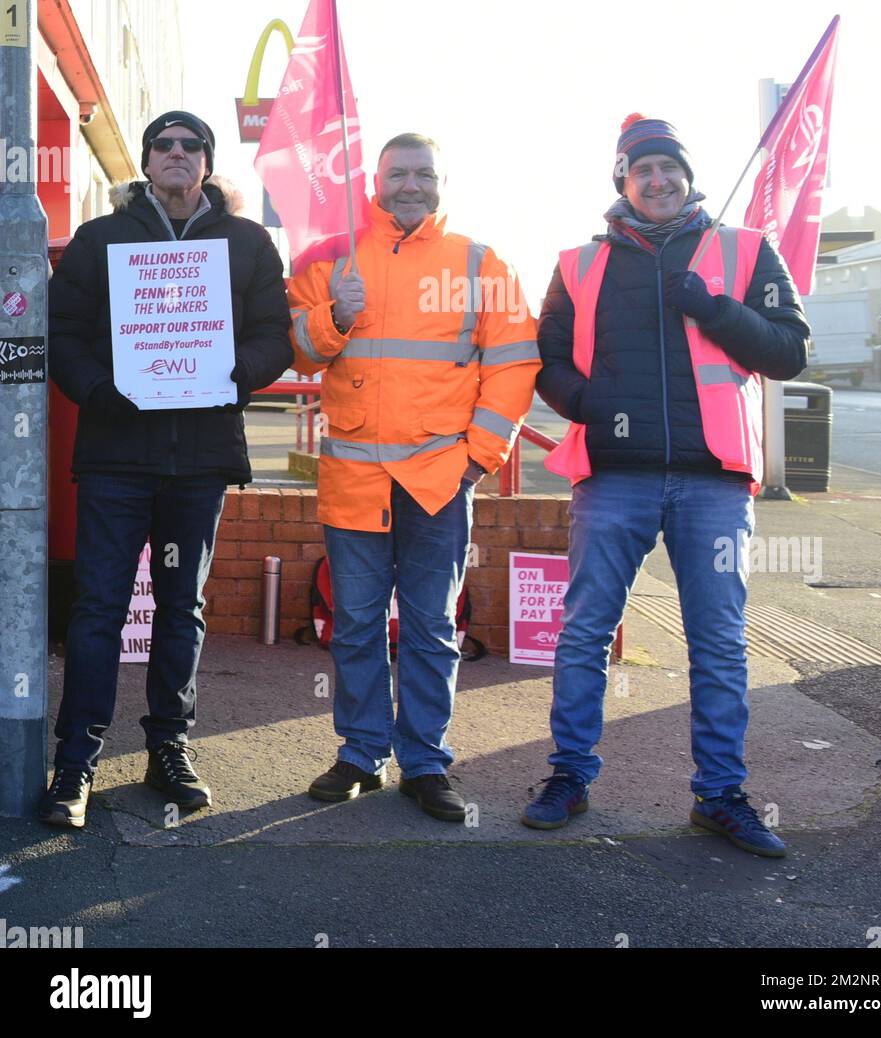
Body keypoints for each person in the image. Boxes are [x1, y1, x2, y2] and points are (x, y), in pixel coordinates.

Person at [521, 115, 810, 856]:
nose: (659, 180)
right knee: (585, 632)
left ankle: (720, 796)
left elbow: (788, 353)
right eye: (642, 169)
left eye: (670, 168)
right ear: (622, 180)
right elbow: (546, 357)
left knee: (718, 642)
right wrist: (586, 404)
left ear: (688, 176)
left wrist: (713, 306)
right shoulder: (580, 263)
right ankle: (569, 777)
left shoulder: (743, 251)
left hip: (713, 482)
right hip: (614, 478)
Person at [41, 112, 293, 828]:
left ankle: (169, 750)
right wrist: (98, 389)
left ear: (208, 163)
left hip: (199, 459)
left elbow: (275, 334)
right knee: (98, 608)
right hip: (118, 455)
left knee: (182, 608)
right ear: (147, 162)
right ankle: (76, 761)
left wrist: (235, 371)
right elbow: (62, 333)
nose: (177, 155)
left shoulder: (247, 244)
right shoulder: (100, 239)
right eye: (164, 145)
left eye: (191, 146)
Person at [288, 133, 539, 821]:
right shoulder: (335, 258)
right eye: (397, 173)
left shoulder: (480, 263)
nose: (410, 185)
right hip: (355, 482)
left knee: (430, 627)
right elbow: (296, 351)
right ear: (375, 180)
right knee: (358, 623)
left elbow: (515, 364)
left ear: (441, 182)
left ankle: (426, 763)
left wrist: (476, 457)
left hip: (438, 481)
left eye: (423, 174)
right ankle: (362, 755)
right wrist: (333, 316)